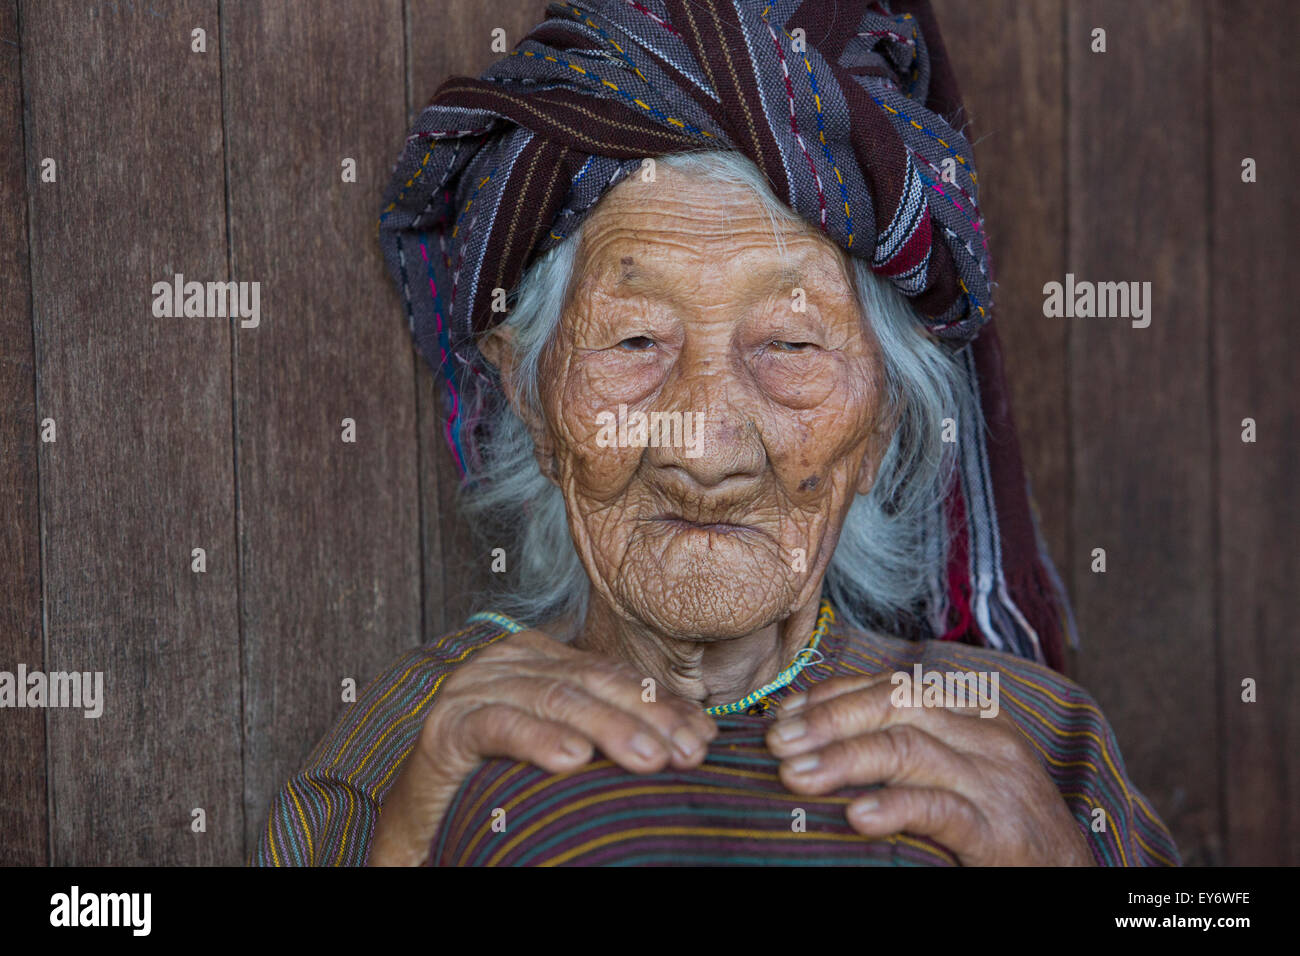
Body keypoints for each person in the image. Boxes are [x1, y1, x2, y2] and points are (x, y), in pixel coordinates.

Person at [251, 0, 1177, 867]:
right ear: (529, 401)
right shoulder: (423, 740)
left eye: (789, 343)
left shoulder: (1034, 744)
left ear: (883, 420)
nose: (704, 447)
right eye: (636, 339)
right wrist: (411, 842)